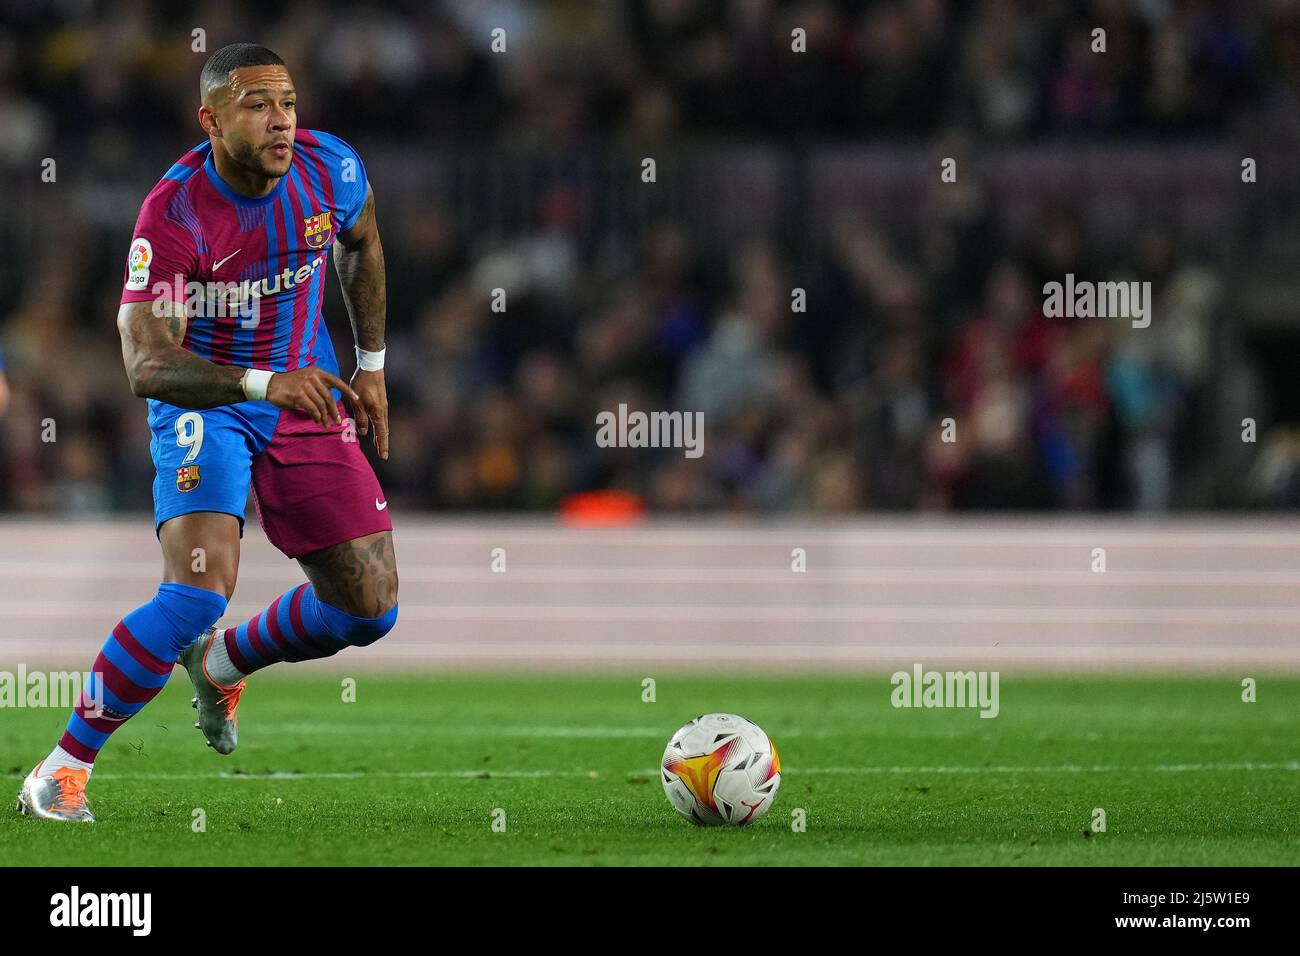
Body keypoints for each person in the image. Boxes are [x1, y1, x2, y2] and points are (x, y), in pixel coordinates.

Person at [18, 43, 399, 822]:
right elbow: (146, 363)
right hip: (207, 400)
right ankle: (59, 771)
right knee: (195, 594)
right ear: (213, 118)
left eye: (288, 102)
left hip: (307, 394)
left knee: (370, 609)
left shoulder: (334, 170)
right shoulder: (176, 211)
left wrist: (373, 364)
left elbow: (362, 247)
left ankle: (225, 662)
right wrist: (261, 384)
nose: (281, 120)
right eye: (257, 105)